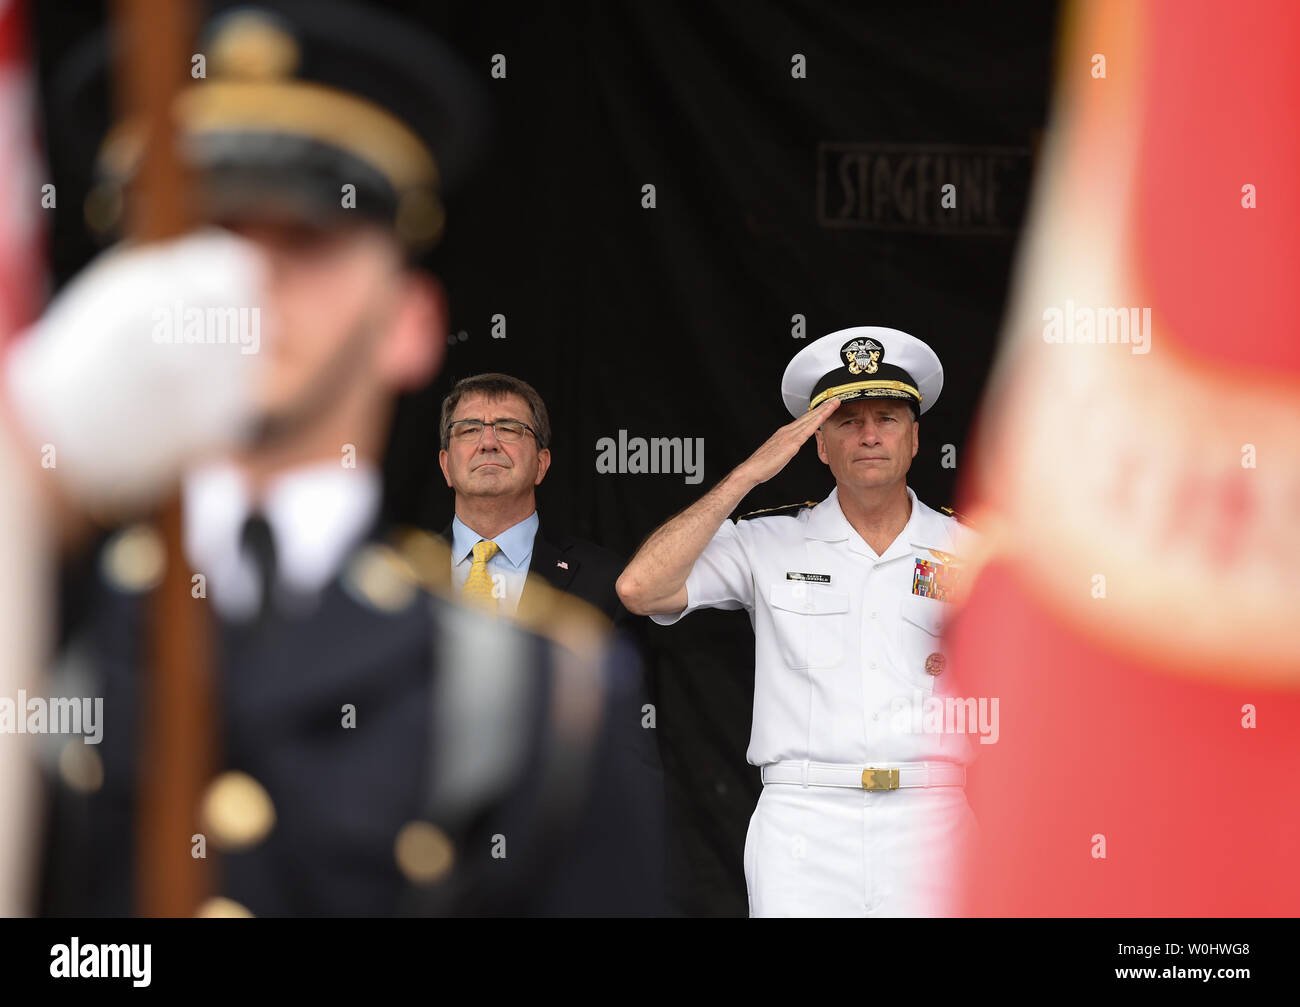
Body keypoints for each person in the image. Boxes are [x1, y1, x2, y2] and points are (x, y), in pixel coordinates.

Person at [8, 0, 661, 917]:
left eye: (309, 239)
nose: (248, 281)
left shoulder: (535, 693)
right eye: (205, 234)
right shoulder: (39, 634)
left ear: (409, 324)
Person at [617, 326, 978, 917]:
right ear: (818, 443)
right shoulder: (768, 539)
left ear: (915, 439)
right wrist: (747, 476)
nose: (868, 435)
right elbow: (639, 588)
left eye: (887, 418)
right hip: (804, 823)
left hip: (934, 819)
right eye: (846, 421)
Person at [437, 373, 631, 624]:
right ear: (446, 466)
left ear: (541, 464)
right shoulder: (398, 575)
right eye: (470, 429)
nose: (487, 443)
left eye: (508, 428)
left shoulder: (606, 580)